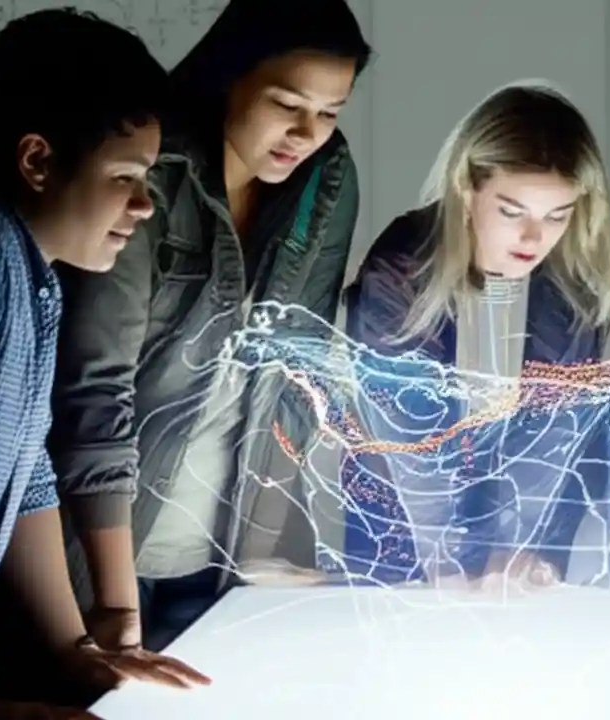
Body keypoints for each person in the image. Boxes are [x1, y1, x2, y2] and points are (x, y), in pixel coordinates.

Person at [45, 0, 373, 653]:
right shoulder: (152, 175)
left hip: (224, 552)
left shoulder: (326, 185)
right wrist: (114, 609)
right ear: (230, 76)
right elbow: (94, 390)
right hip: (101, 548)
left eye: (330, 113)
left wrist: (259, 554)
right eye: (288, 104)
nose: (308, 133)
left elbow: (296, 373)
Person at [0, 9, 208, 719]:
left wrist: (72, 647)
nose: (143, 206)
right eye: (125, 177)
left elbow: (28, 472)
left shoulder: (33, 272)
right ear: (39, 161)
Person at [337, 81, 610, 589]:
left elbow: (565, 441)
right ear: (468, 190)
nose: (534, 238)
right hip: (401, 545)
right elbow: (407, 436)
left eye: (556, 216)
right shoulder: (402, 270)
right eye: (512, 212)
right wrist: (444, 564)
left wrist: (525, 553)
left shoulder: (575, 290)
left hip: (523, 554)